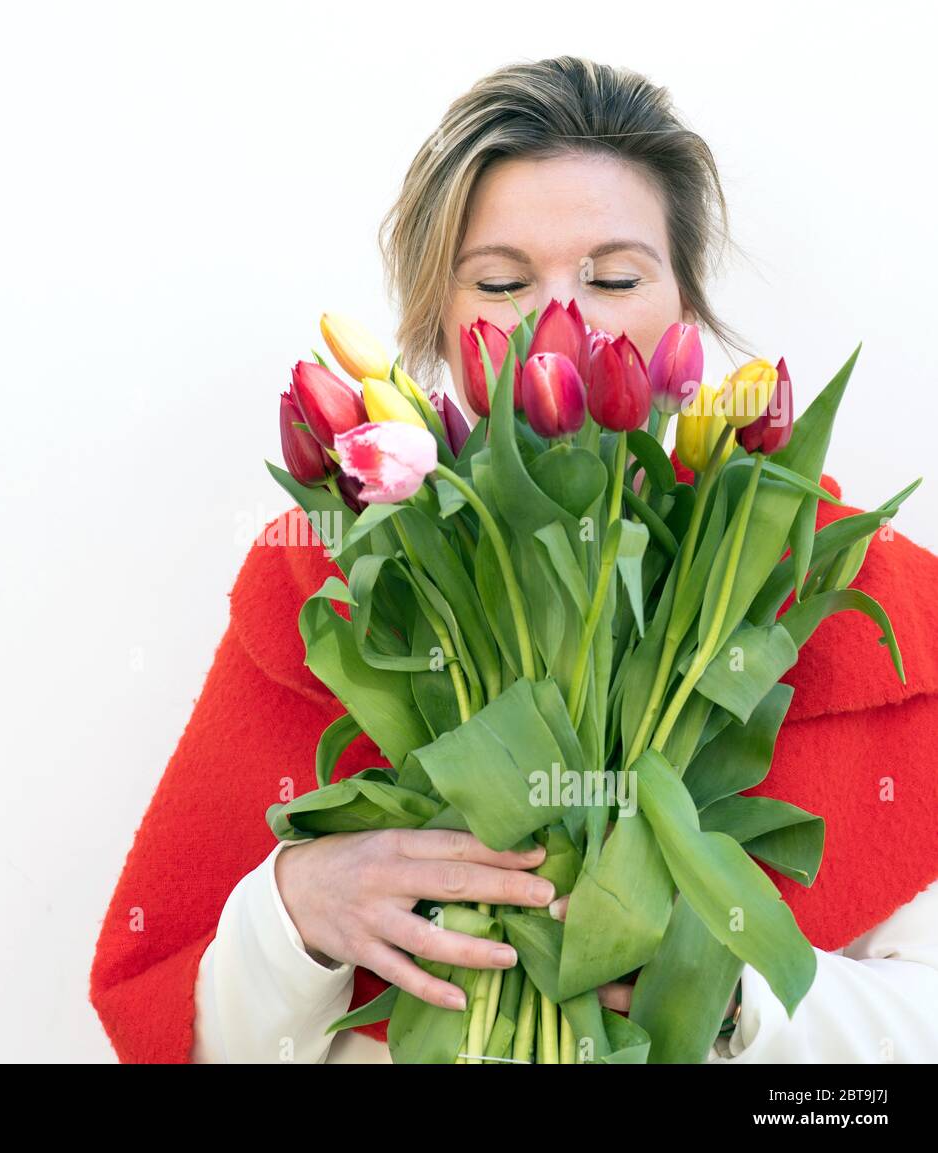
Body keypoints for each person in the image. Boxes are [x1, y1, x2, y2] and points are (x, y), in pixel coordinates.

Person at [89, 56, 938, 1064]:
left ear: (686, 313)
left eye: (615, 278)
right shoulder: (323, 585)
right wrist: (293, 912)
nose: (560, 323)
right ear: (436, 326)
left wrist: (721, 992)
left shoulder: (854, 597)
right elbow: (179, 1026)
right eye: (499, 282)